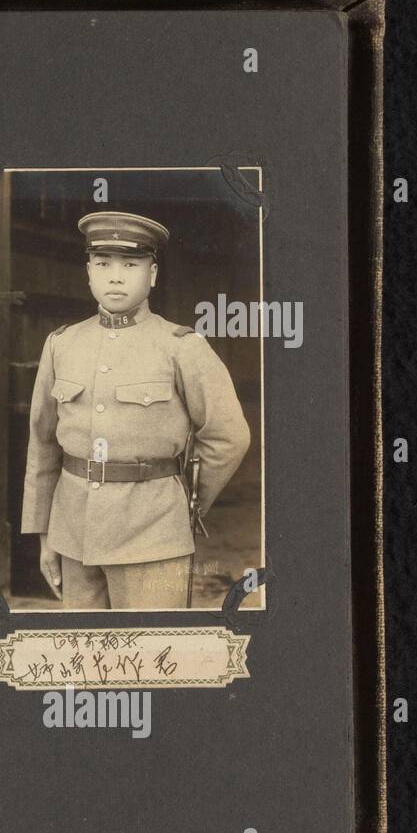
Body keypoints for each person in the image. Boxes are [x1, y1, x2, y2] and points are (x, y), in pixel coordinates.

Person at [21, 211, 251, 609]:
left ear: (153, 274)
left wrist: (186, 505)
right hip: (74, 535)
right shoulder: (62, 344)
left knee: (151, 656)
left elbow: (229, 437)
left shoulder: (181, 346)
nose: (115, 276)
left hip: (152, 536)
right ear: (88, 272)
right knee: (85, 659)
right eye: (103, 264)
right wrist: (45, 535)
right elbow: (42, 444)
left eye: (130, 264)